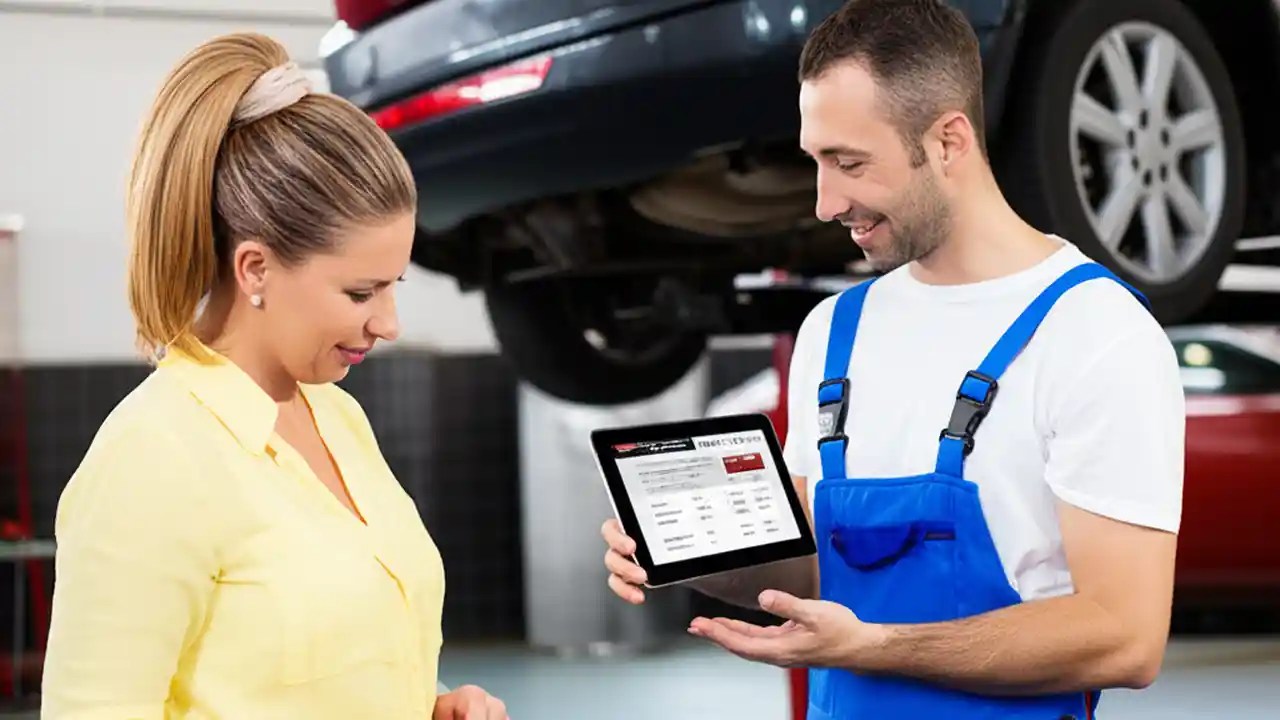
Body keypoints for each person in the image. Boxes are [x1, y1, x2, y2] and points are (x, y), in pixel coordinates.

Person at [602, 0, 1185, 717]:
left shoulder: (1094, 332)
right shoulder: (834, 332)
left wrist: (873, 646)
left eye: (849, 163)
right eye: (815, 161)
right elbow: (822, 567)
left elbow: (1124, 637)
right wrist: (683, 554)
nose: (823, 202)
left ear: (948, 141)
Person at [41, 33, 509, 720]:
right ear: (255, 269)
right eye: (360, 293)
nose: (390, 323)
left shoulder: (338, 418)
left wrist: (432, 706)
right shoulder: (151, 459)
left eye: (394, 285)